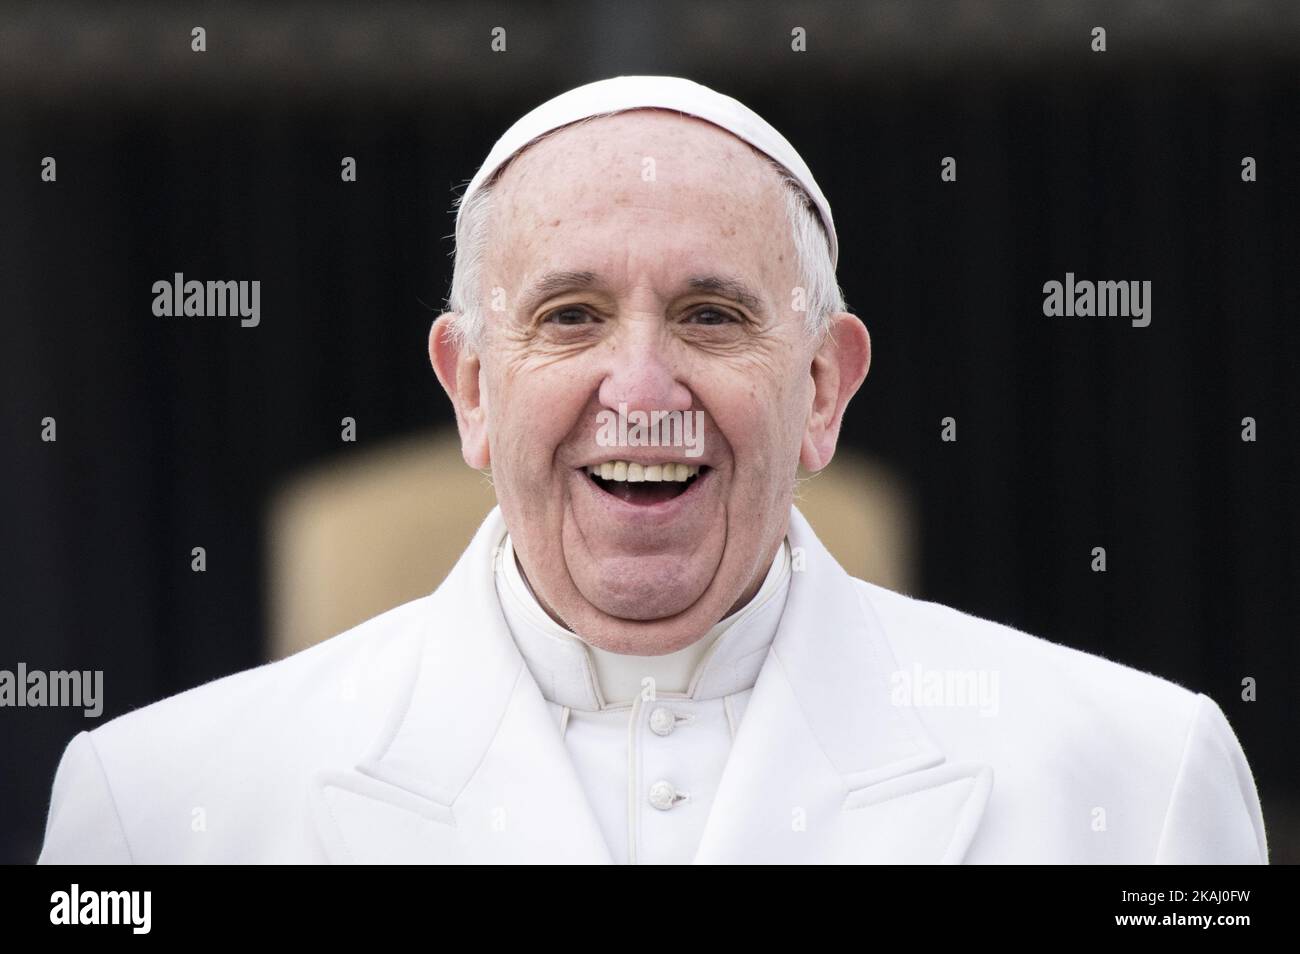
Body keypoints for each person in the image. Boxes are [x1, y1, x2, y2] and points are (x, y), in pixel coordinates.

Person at [38, 76, 1267, 864]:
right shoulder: (158, 805)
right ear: (471, 387)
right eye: (570, 315)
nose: (640, 391)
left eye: (713, 317)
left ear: (823, 391)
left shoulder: (1138, 778)